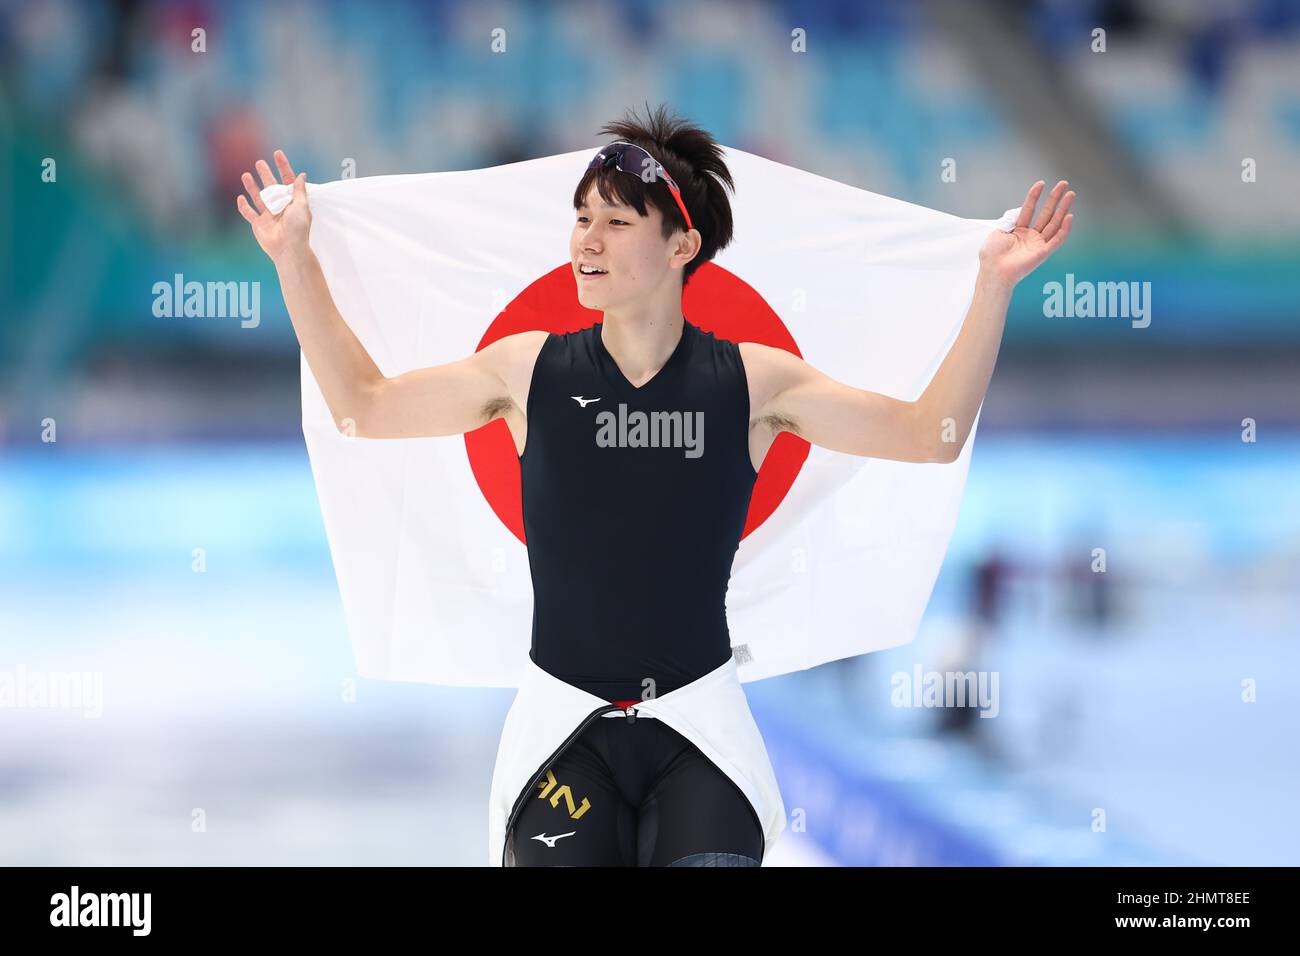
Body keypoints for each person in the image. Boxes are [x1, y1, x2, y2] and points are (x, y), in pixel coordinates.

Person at [236, 103, 1075, 867]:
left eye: (613, 221)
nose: (585, 241)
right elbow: (363, 408)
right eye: (579, 220)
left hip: (699, 735)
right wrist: (295, 261)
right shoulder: (525, 369)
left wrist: (992, 285)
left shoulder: (754, 383)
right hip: (562, 734)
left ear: (681, 246)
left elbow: (931, 436)